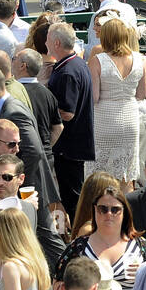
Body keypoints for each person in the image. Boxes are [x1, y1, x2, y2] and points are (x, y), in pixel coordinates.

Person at [53, 181, 146, 290]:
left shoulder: (141, 246)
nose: (109, 214)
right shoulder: (79, 247)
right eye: (103, 209)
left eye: (115, 209)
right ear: (94, 210)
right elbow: (57, 283)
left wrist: (144, 273)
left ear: (124, 212)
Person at [85, 18, 146, 188]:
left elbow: (94, 97)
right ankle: (127, 211)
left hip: (105, 119)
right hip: (130, 118)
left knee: (99, 177)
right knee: (126, 176)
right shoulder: (139, 59)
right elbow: (142, 94)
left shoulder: (98, 60)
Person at [47, 23, 93, 217]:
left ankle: (78, 238)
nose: (46, 42)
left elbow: (67, 112)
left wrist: (43, 107)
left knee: (72, 199)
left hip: (69, 146)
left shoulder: (68, 71)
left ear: (56, 43)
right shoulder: (75, 63)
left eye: (48, 38)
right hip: (73, 144)